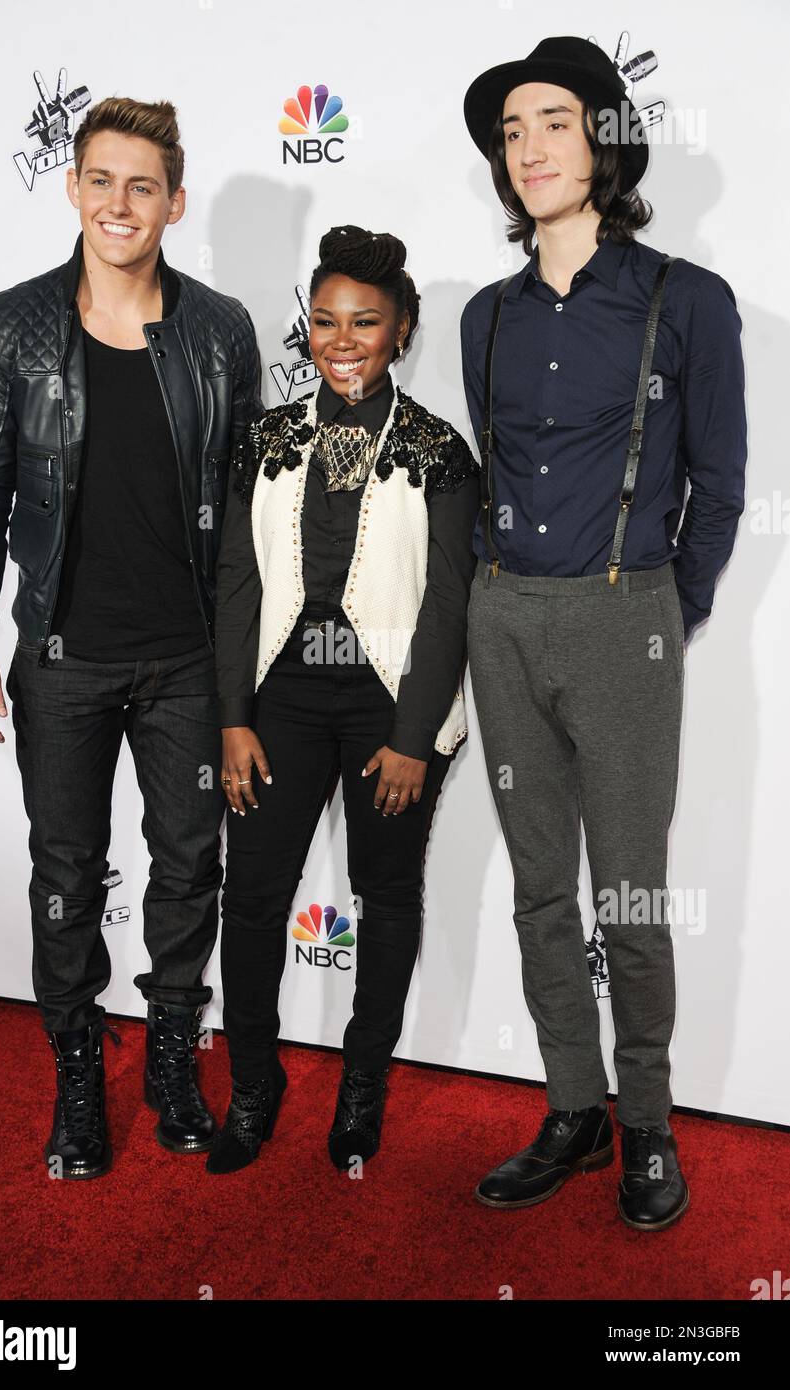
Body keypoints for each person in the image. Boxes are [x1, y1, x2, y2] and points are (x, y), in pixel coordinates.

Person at [0, 97, 263, 1179]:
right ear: (73, 187)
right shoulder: (13, 324)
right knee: (65, 871)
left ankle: (172, 1055)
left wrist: (237, 668)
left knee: (186, 867)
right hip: (60, 654)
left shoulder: (218, 331)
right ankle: (78, 1071)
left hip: (185, 657)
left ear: (173, 201)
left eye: (143, 186)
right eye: (102, 180)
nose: (120, 203)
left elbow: (242, 503)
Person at [461, 36, 746, 1229]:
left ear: (605, 140)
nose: (527, 147)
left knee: (627, 896)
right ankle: (571, 1108)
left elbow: (718, 487)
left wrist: (655, 616)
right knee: (539, 892)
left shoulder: (687, 299)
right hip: (501, 616)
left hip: (625, 618)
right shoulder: (482, 314)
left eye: (553, 123)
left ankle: (645, 1123)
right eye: (510, 131)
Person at [207, 225, 480, 1174]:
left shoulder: (439, 452)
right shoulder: (267, 438)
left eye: (365, 321)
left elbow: (449, 604)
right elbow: (236, 582)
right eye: (324, 320)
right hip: (278, 701)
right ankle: (252, 1084)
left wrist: (413, 738)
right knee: (253, 898)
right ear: (307, 329)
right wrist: (231, 716)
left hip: (389, 712)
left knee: (387, 894)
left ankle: (363, 1080)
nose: (342, 337)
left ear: (401, 330)